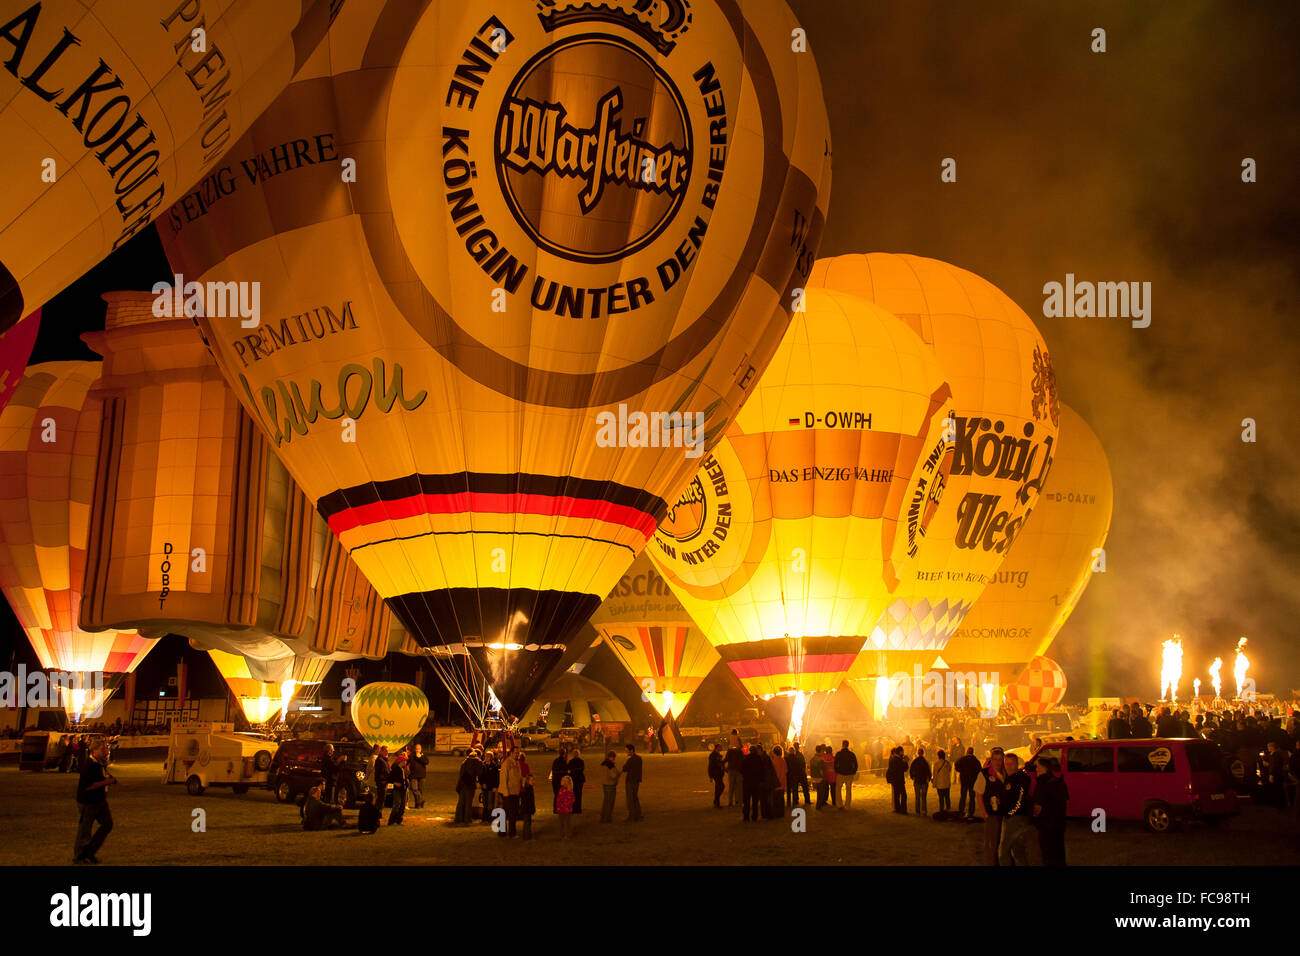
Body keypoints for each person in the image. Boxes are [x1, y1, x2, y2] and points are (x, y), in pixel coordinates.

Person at [74, 739, 116, 864]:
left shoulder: (98, 763)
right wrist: (106, 782)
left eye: (106, 749)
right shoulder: (89, 764)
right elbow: (88, 786)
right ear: (94, 750)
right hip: (88, 801)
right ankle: (80, 856)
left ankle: (89, 852)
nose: (105, 752)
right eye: (102, 749)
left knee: (107, 824)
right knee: (85, 830)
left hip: (99, 800)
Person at [998, 753, 1034, 865]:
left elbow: (1019, 800)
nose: (1008, 766)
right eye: (1006, 764)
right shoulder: (1009, 777)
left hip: (1016, 819)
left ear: (1017, 764)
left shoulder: (1021, 778)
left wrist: (1009, 813)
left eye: (1011, 764)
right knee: (1017, 850)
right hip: (1012, 817)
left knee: (1003, 851)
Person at [1032, 756, 1069, 865]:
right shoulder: (1059, 782)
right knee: (1058, 853)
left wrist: (1033, 817)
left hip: (1046, 826)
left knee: (1048, 854)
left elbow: (1038, 807)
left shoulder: (1042, 784)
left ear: (1044, 768)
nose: (1036, 769)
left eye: (1038, 767)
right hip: (1059, 825)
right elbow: (1065, 802)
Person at [974, 749, 1007, 865]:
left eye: (1000, 760)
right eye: (996, 760)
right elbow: (978, 794)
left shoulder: (1005, 773)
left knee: (1002, 844)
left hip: (1004, 814)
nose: (998, 762)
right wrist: (985, 814)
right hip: (991, 815)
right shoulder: (984, 774)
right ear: (991, 760)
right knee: (991, 844)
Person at [454, 747, 483, 825]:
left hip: (463, 784)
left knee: (461, 802)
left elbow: (461, 773)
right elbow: (480, 773)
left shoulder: (465, 761)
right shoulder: (478, 762)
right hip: (470, 784)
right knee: (468, 802)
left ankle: (458, 818)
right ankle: (467, 819)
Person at [741, 742, 767, 822]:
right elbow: (762, 771)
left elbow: (741, 770)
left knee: (747, 801)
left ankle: (746, 817)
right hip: (756, 783)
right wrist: (761, 780)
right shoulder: (759, 759)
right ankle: (754, 816)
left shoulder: (746, 759)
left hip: (747, 783)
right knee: (755, 802)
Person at [500, 747, 523, 837]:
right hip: (509, 793)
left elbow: (519, 777)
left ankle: (502, 832)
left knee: (507, 813)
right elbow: (503, 778)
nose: (517, 755)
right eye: (516, 753)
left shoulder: (516, 763)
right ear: (511, 753)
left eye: (518, 753)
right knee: (511, 814)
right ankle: (512, 833)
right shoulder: (507, 763)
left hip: (515, 792)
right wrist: (506, 793)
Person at [955, 747, 982, 818]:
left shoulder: (962, 759)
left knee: (963, 796)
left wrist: (961, 771)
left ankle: (961, 810)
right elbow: (979, 769)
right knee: (972, 797)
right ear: (973, 752)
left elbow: (956, 766)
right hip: (972, 781)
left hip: (964, 780)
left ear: (967, 752)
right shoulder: (975, 760)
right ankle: (971, 812)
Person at [833, 740, 858, 809]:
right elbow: (855, 764)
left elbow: (835, 764)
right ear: (848, 745)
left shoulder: (838, 753)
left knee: (838, 789)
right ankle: (847, 805)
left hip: (841, 773)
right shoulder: (851, 754)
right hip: (849, 774)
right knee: (848, 790)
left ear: (842, 745)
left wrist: (837, 771)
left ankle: (839, 804)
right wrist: (853, 771)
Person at [622, 743, 644, 821]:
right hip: (637, 781)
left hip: (630, 781)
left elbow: (624, 769)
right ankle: (638, 814)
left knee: (630, 799)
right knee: (635, 797)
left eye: (627, 751)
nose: (626, 752)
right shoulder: (639, 758)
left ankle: (632, 816)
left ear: (631, 750)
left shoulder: (630, 760)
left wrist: (625, 764)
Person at [479, 750, 500, 826]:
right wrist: (482, 783)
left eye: (488, 756)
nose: (486, 758)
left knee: (490, 803)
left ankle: (489, 818)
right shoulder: (483, 765)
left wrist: (495, 786)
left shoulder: (494, 766)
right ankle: (484, 818)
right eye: (486, 756)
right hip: (484, 787)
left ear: (491, 758)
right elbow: (480, 776)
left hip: (491, 787)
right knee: (485, 803)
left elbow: (496, 777)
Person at [387, 752, 408, 826]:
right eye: (404, 761)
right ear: (401, 761)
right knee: (397, 804)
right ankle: (391, 820)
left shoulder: (403, 769)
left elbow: (404, 778)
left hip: (403, 788)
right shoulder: (396, 769)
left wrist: (406, 782)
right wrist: (395, 783)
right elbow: (390, 778)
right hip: (397, 789)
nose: (406, 762)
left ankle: (399, 820)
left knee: (402, 805)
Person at [909, 747, 932, 814]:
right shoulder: (926, 761)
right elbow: (929, 771)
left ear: (917, 753)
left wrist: (913, 777)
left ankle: (917, 810)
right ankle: (924, 810)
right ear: (923, 753)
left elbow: (911, 770)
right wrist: (929, 779)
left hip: (917, 781)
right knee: (924, 797)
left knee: (917, 796)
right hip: (924, 781)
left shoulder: (915, 761)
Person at [786, 742, 809, 807]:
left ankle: (794, 801)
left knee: (794, 789)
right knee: (804, 787)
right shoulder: (799, 756)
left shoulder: (787, 758)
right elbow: (802, 765)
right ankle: (806, 800)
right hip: (800, 774)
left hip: (791, 775)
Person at [886, 746, 908, 814]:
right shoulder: (898, 759)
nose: (903, 753)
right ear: (900, 751)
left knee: (896, 795)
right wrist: (905, 762)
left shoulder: (892, 758)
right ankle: (903, 809)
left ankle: (897, 808)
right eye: (902, 751)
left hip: (894, 780)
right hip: (899, 780)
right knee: (903, 795)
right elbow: (904, 769)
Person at [600, 750, 620, 822]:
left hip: (605, 784)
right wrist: (618, 773)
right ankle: (608, 818)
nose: (614, 759)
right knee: (610, 802)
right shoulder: (610, 765)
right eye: (613, 757)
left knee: (605, 801)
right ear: (611, 757)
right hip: (610, 785)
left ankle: (603, 817)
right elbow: (613, 776)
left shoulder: (603, 763)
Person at [724, 737, 744, 807]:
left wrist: (725, 769)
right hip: (738, 771)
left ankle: (730, 801)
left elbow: (725, 760)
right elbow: (743, 761)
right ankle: (739, 801)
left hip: (731, 771)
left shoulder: (729, 751)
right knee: (739, 787)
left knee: (731, 786)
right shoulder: (740, 752)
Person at [566, 746, 586, 814]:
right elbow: (582, 769)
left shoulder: (571, 762)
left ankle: (574, 808)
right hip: (580, 780)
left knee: (573, 794)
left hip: (573, 780)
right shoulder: (581, 761)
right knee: (579, 794)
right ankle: (578, 808)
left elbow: (568, 770)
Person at [408, 743, 428, 809]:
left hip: (422, 775)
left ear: (421, 749)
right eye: (416, 749)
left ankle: (418, 805)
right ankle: (421, 800)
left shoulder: (423, 755)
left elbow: (426, 762)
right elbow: (407, 762)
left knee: (420, 790)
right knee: (414, 789)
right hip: (413, 775)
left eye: (418, 749)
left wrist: (420, 757)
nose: (417, 750)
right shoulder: (411, 755)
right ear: (414, 749)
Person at [933, 748, 952, 814]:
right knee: (947, 797)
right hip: (946, 783)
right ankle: (948, 809)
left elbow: (935, 774)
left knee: (941, 798)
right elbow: (950, 770)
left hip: (939, 784)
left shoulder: (936, 764)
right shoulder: (947, 763)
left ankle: (941, 809)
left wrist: (934, 783)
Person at [551, 745, 569, 813]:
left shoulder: (555, 761)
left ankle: (555, 809)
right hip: (561, 781)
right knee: (561, 795)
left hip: (555, 781)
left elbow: (553, 770)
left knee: (556, 795)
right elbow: (565, 771)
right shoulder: (563, 762)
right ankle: (560, 808)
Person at [771, 745, 788, 817]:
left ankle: (776, 812)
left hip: (776, 782)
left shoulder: (773, 761)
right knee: (781, 799)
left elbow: (773, 772)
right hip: (782, 782)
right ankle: (781, 813)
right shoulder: (783, 760)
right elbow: (786, 770)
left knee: (775, 799)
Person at [372, 746, 390, 811]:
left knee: (382, 798)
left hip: (384, 781)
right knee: (381, 798)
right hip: (381, 781)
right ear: (381, 751)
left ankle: (378, 811)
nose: (387, 752)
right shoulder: (380, 760)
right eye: (385, 751)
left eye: (387, 751)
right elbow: (383, 771)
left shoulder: (384, 760)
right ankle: (377, 811)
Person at [707, 743, 725, 808]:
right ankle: (716, 801)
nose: (721, 748)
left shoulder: (717, 755)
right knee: (721, 787)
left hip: (719, 774)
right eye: (720, 747)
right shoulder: (713, 755)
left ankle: (716, 802)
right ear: (717, 748)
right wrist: (710, 776)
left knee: (718, 788)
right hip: (716, 774)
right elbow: (710, 766)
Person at [810, 744, 828, 809]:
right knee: (821, 793)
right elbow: (821, 770)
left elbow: (811, 769)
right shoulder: (821, 759)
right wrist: (824, 777)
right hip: (820, 778)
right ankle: (819, 805)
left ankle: (819, 805)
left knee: (819, 792)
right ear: (821, 751)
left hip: (814, 777)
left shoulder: (812, 759)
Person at [521, 769, 537, 839]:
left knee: (528, 822)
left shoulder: (530, 788)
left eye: (533, 780)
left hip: (527, 808)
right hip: (527, 809)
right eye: (532, 780)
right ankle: (527, 836)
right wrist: (530, 808)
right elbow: (527, 800)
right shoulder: (527, 789)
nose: (533, 782)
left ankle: (527, 835)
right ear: (528, 781)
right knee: (527, 822)